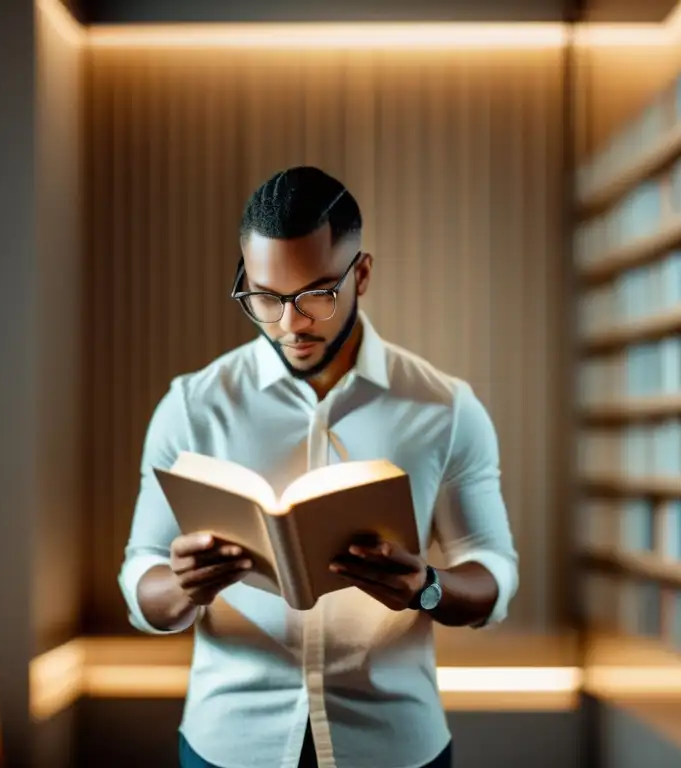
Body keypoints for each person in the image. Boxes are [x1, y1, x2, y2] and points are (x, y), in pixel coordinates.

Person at [119, 166, 519, 768]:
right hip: (228, 743)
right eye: (265, 296)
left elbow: (492, 574)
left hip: (394, 744)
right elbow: (140, 576)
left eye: (316, 295)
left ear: (362, 274)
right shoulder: (193, 406)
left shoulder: (445, 408)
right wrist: (180, 587)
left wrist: (427, 588)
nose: (290, 323)